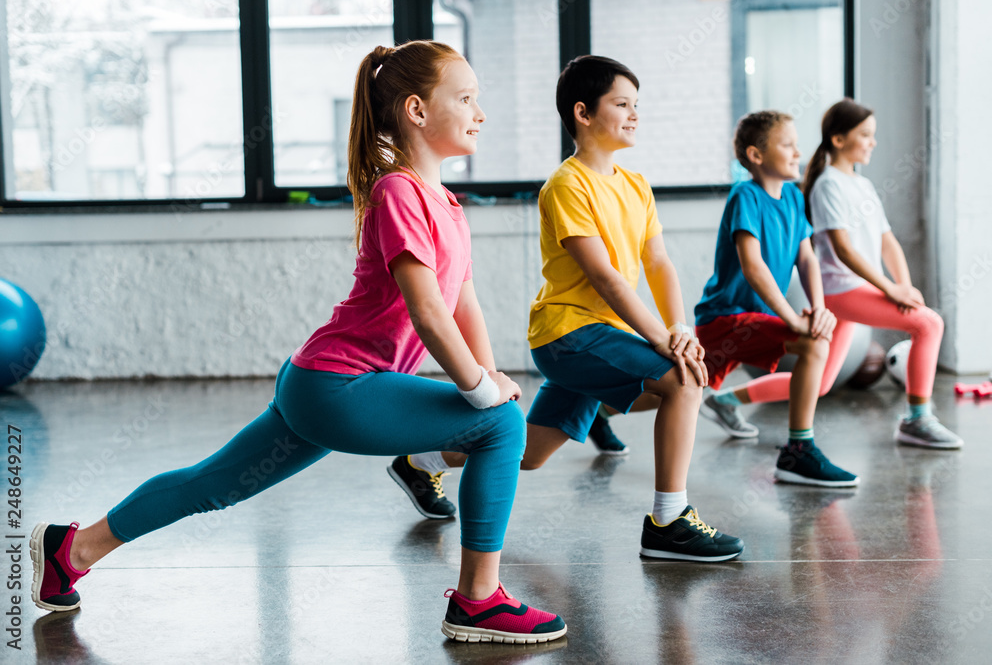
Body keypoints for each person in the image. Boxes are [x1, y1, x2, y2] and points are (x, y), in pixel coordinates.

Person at [30, 41, 566, 645]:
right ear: (417, 110)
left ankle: (71, 550)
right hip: (340, 387)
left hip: (318, 383)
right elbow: (427, 309)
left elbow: (464, 304)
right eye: (466, 98)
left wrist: (491, 377)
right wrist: (479, 391)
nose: (480, 112)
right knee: (502, 428)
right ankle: (477, 602)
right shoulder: (399, 192)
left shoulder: (446, 203)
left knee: (212, 485)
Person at [395, 55, 743, 562]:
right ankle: (668, 521)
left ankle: (420, 461)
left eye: (637, 105)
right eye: (621, 104)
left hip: (603, 337)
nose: (634, 114)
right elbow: (604, 278)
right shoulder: (566, 185)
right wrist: (664, 342)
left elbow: (659, 262)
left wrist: (679, 326)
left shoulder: (635, 185)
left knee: (529, 453)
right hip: (569, 334)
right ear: (583, 112)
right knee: (684, 380)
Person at [703, 99, 960, 449]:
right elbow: (843, 250)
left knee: (820, 383)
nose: (873, 142)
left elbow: (888, 242)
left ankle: (726, 400)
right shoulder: (826, 185)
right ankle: (917, 418)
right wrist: (889, 288)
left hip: (844, 295)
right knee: (929, 323)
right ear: (839, 140)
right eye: (865, 134)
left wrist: (904, 285)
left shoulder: (860, 186)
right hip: (841, 288)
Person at [694, 110, 860, 488]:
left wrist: (818, 309)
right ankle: (798, 453)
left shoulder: (793, 196)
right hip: (725, 318)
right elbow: (753, 267)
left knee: (687, 385)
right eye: (787, 145)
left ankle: (599, 415)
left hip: (756, 320)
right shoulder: (745, 196)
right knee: (680, 386)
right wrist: (795, 319)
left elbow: (806, 257)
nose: (797, 152)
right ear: (756, 155)